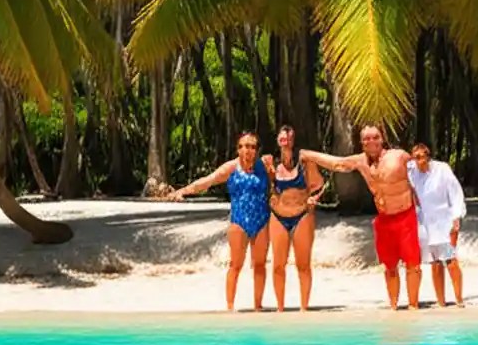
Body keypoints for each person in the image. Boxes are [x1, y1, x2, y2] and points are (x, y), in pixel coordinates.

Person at [301, 125, 422, 310]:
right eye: (366, 138)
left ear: (382, 139)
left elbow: (422, 173)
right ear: (361, 142)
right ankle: (394, 306)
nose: (370, 141)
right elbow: (337, 163)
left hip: (405, 216)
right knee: (389, 266)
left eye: (375, 137)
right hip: (384, 218)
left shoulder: (399, 156)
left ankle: (413, 306)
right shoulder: (360, 162)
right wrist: (309, 155)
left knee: (412, 264)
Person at [167, 132, 270, 311]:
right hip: (239, 221)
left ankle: (258, 306)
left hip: (262, 220)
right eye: (244, 146)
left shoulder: (265, 166)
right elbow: (207, 181)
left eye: (253, 147)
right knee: (235, 265)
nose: (248, 150)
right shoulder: (231, 168)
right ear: (238, 149)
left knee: (260, 265)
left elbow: (281, 183)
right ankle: (230, 306)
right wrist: (182, 191)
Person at [265, 125, 325, 312]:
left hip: (302, 215)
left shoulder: (305, 162)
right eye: (282, 138)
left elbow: (319, 185)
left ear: (294, 140)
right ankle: (280, 308)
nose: (286, 141)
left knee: (303, 264)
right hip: (278, 216)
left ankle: (304, 307)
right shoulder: (271, 163)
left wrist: (314, 198)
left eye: (289, 138)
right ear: (278, 140)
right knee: (278, 265)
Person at [407, 143, 466, 307]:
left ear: (428, 156)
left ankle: (459, 299)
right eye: (415, 157)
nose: (419, 161)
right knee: (434, 263)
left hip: (445, 222)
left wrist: (456, 217)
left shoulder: (442, 169)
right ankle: (441, 302)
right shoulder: (412, 171)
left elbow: (455, 192)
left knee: (450, 259)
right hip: (426, 224)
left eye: (421, 157)